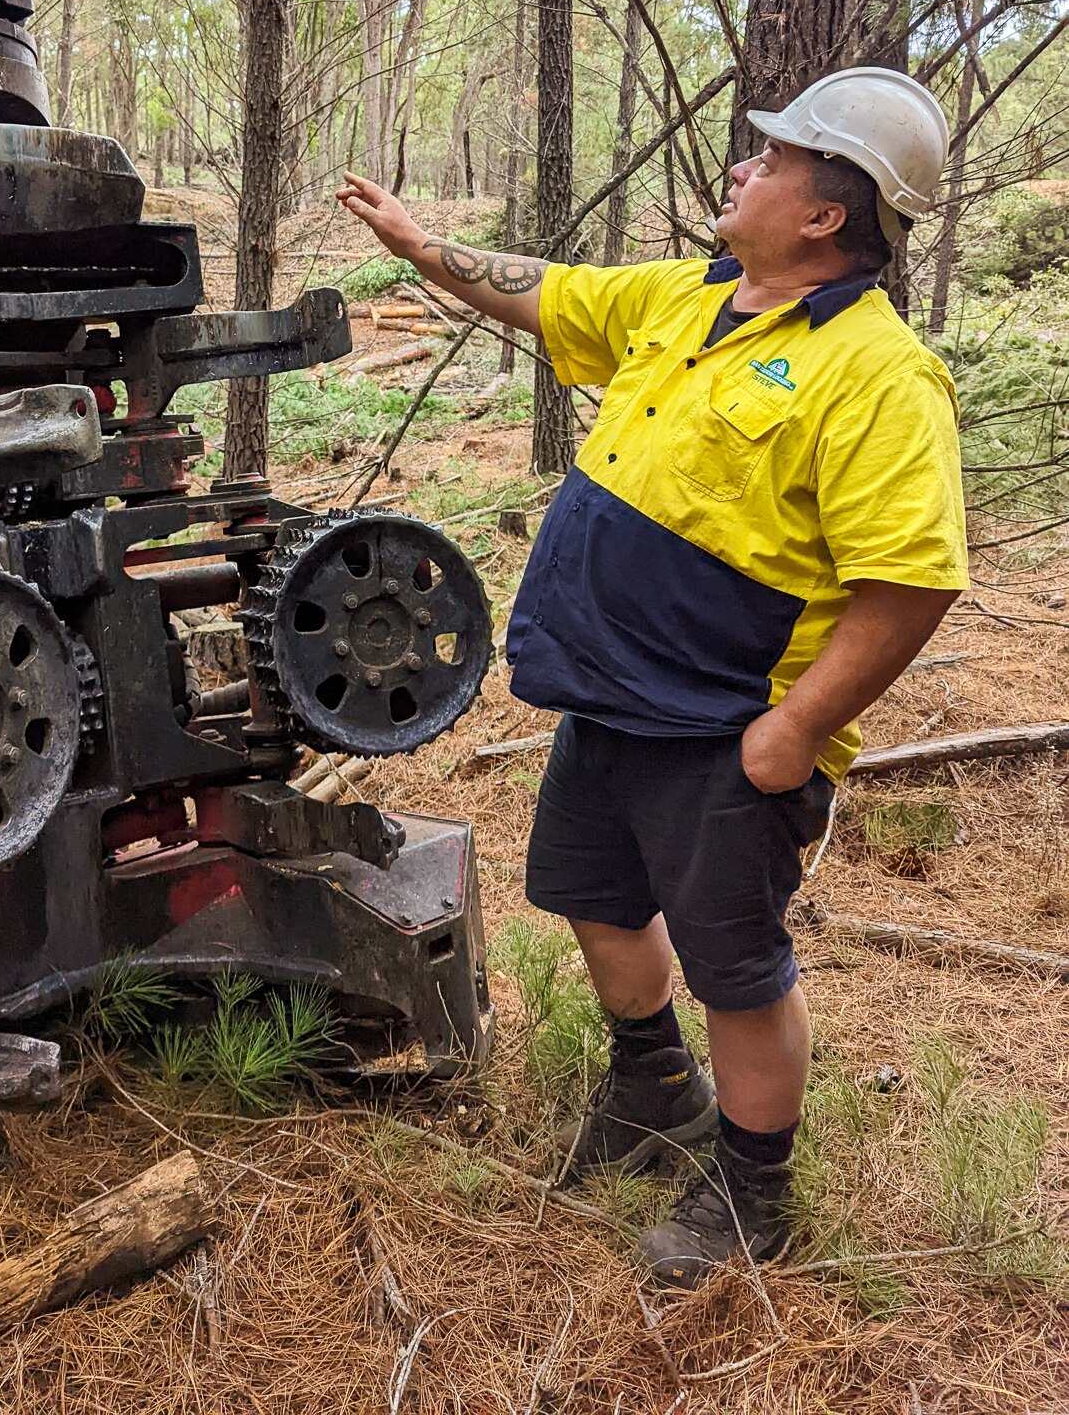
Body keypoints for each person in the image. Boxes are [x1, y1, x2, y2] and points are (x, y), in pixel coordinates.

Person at [338, 67, 968, 1287]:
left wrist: (794, 732)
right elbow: (546, 293)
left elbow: (911, 582)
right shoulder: (693, 295)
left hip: (728, 725)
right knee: (595, 897)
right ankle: (651, 1086)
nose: (744, 168)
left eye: (771, 159)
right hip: (611, 697)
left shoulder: (881, 375)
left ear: (825, 214)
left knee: (735, 963)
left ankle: (753, 1188)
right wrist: (421, 242)